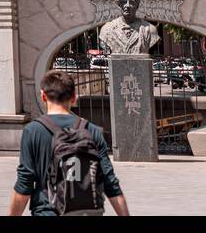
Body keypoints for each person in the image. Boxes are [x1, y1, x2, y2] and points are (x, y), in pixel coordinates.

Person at [8, 70, 130, 217]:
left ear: (43, 96)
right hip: (88, 212)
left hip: (47, 211)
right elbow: (110, 182)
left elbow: (24, 183)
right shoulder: (92, 130)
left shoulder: (33, 131)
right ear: (73, 97)